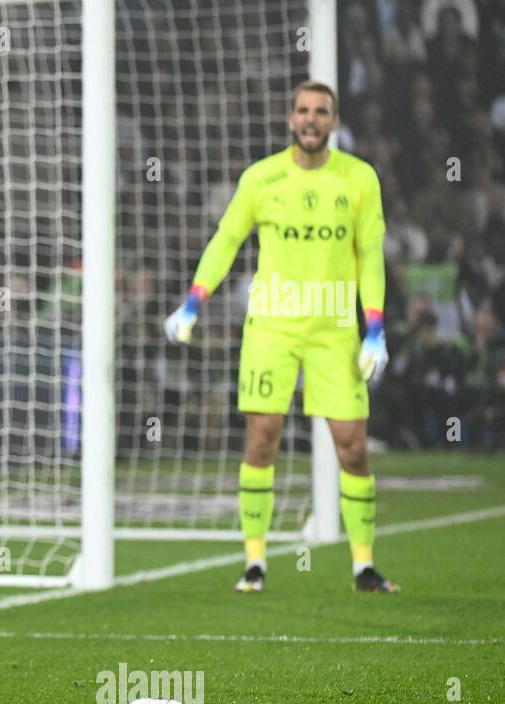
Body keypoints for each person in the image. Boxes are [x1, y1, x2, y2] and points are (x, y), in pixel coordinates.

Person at [164, 81, 399, 594]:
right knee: (262, 437)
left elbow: (370, 254)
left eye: (321, 112)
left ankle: (363, 566)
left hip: (335, 328)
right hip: (271, 325)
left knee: (353, 447)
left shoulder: (359, 179)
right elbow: (226, 239)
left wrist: (375, 325)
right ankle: (254, 563)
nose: (311, 119)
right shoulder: (262, 178)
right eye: (303, 111)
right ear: (290, 119)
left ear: (333, 121)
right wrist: (194, 301)